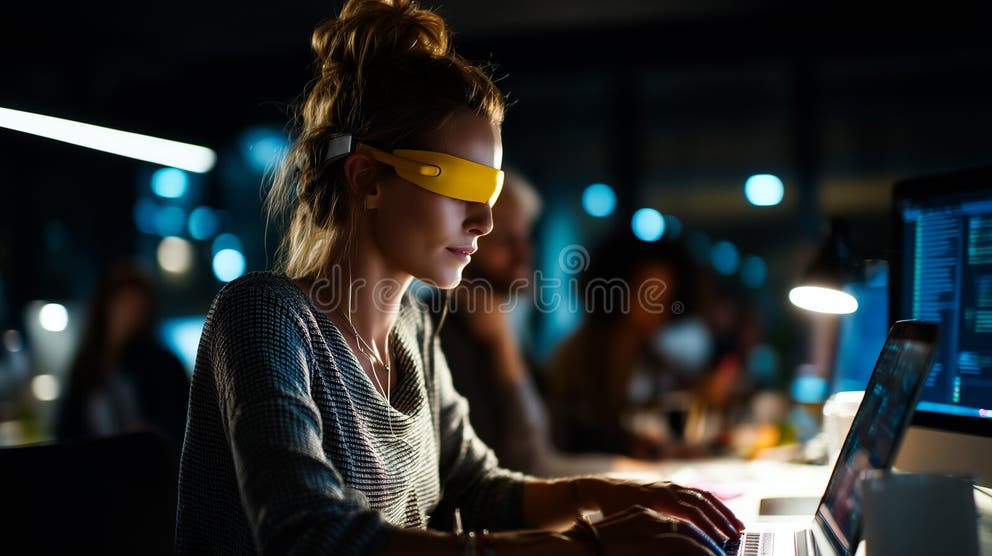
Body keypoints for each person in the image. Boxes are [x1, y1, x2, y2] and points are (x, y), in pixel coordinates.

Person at [176, 1, 744, 554]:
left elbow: (477, 489)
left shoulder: (414, 329)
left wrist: (616, 494)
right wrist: (585, 544)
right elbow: (311, 536)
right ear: (367, 178)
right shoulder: (262, 316)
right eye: (460, 187)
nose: (485, 221)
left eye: (491, 192)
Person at [438, 171, 651, 477]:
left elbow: (554, 420)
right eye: (505, 240)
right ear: (466, 241)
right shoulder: (446, 332)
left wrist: (630, 445)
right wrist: (633, 472)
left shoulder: (499, 319)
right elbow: (521, 461)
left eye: (525, 238)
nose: (524, 253)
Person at [547, 234, 700, 460]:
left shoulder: (649, 355)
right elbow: (577, 436)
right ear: (616, 290)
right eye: (650, 294)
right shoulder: (578, 358)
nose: (660, 307)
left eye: (665, 296)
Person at [56, 263, 190, 452]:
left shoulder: (163, 364)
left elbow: (182, 428)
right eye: (124, 304)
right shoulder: (87, 364)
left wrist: (151, 435)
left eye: (138, 308)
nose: (131, 315)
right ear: (105, 307)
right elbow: (66, 429)